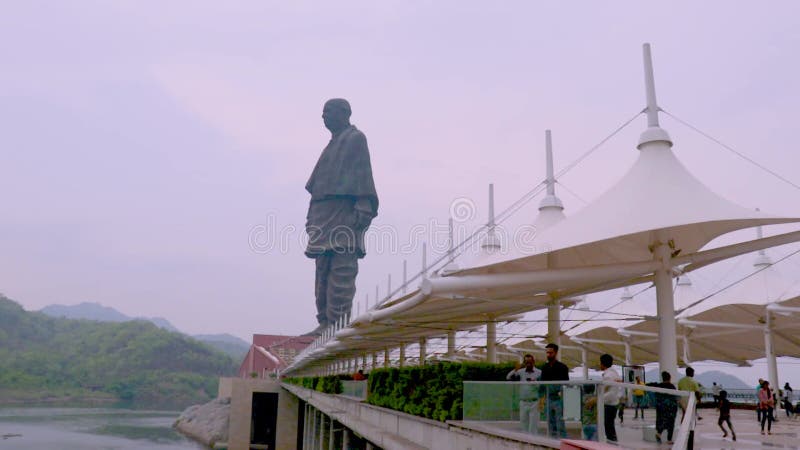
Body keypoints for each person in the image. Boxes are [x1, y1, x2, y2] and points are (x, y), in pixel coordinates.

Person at [304, 98, 379, 336]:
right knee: (322, 269)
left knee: (342, 269)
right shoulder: (331, 144)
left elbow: (363, 175)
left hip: (344, 213)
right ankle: (325, 321)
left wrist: (363, 205)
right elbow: (316, 187)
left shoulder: (355, 139)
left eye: (327, 111)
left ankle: (336, 322)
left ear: (344, 113)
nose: (323, 116)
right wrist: (311, 216)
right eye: (322, 112)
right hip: (322, 215)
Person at [539, 343, 569, 438]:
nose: (548, 355)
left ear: (555, 353)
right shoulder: (544, 367)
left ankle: (563, 441)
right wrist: (541, 398)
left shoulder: (562, 367)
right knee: (550, 422)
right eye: (547, 353)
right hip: (548, 397)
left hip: (558, 398)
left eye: (550, 353)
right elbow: (542, 384)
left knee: (560, 422)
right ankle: (553, 442)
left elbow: (566, 383)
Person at [508, 354, 541, 433]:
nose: (528, 364)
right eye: (526, 362)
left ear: (533, 362)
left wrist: (534, 382)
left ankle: (534, 441)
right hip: (523, 402)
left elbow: (541, 386)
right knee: (523, 424)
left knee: (533, 425)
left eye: (530, 362)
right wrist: (515, 370)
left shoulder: (539, 372)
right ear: (524, 363)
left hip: (534, 402)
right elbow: (508, 377)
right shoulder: (520, 372)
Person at [600, 354, 619, 442]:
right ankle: (613, 443)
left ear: (602, 363)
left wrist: (599, 399)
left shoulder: (608, 375)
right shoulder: (615, 373)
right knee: (610, 426)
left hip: (608, 404)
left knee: (608, 427)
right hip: (614, 403)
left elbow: (605, 390)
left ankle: (612, 444)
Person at [655, 371, 678, 445]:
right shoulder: (672, 386)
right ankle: (669, 439)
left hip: (661, 407)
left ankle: (659, 434)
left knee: (662, 421)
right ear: (670, 378)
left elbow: (656, 396)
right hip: (670, 408)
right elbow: (675, 397)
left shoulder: (659, 386)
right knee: (671, 423)